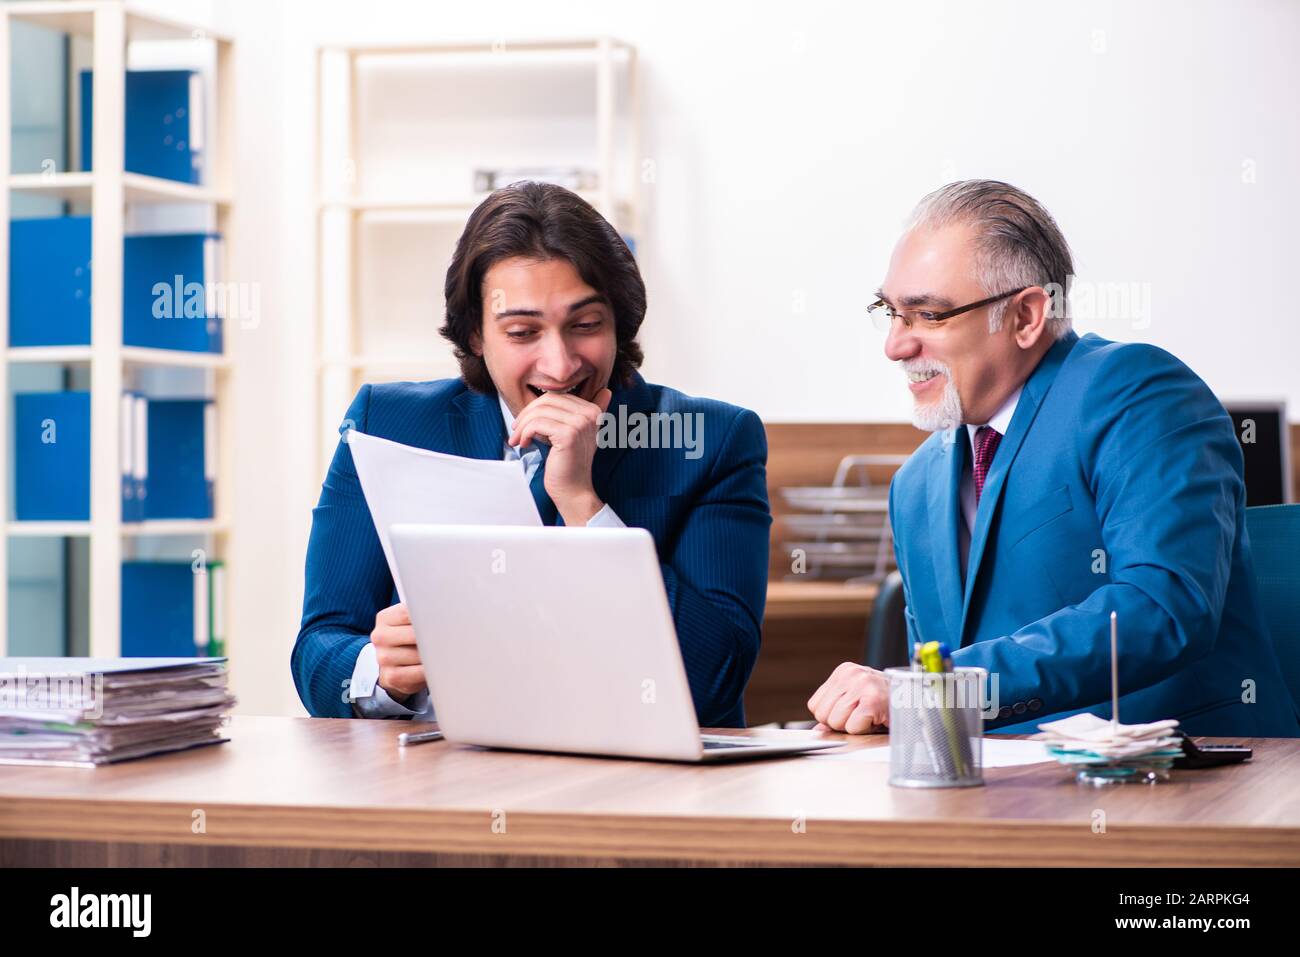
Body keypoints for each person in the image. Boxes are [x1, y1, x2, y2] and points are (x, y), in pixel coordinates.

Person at [808, 179, 1300, 737]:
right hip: (995, 799)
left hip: (1183, 784)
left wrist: (937, 688)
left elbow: (1162, 608)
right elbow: (941, 691)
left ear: (1026, 316)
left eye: (929, 315)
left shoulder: (1136, 392)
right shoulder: (915, 485)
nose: (896, 344)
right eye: (890, 311)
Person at [293, 182, 771, 727]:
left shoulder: (709, 440)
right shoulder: (387, 423)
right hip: (446, 785)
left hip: (640, 789)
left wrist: (582, 505)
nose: (561, 364)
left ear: (620, 322)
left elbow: (713, 682)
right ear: (475, 334)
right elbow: (319, 648)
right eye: (523, 332)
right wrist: (377, 671)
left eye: (586, 325)